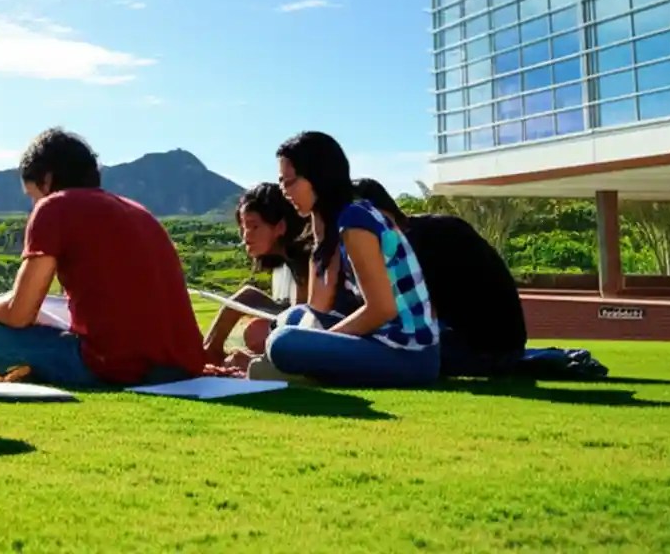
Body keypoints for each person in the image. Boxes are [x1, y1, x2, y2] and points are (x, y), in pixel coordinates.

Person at [0, 128, 206, 388]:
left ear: (47, 181)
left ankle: (31, 371)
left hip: (116, 366)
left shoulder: (53, 207)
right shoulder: (138, 211)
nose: (33, 206)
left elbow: (20, 314)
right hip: (181, 367)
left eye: (33, 196)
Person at [260, 131, 439, 387]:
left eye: (290, 182)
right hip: (382, 339)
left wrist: (321, 345)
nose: (285, 192)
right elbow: (316, 306)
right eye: (281, 183)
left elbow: (382, 309)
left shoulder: (355, 220)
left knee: (284, 342)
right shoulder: (339, 220)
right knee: (294, 317)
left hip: (408, 353)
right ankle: (295, 371)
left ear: (317, 177)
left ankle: (299, 371)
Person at [352, 178, 528, 376]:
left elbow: (407, 319)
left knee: (368, 349)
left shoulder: (415, 244)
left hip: (483, 351)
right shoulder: (429, 230)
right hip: (498, 346)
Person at [201, 183, 309, 367]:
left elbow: (303, 328)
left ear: (280, 226)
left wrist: (252, 360)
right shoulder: (290, 261)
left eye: (254, 226)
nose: (246, 237)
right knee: (247, 296)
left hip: (326, 332)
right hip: (302, 324)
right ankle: (209, 352)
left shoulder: (306, 260)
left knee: (255, 331)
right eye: (243, 228)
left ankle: (214, 356)